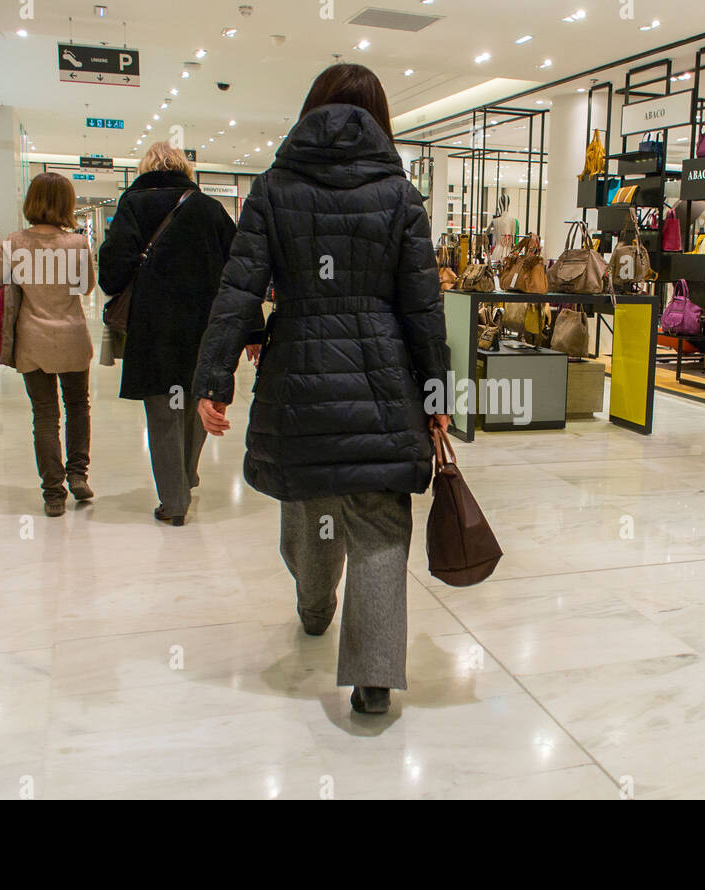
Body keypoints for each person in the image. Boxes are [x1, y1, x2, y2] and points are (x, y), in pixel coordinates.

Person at [192, 63, 450, 716]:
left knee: (307, 505)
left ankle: (314, 603)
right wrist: (435, 398)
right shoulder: (400, 195)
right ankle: (372, 677)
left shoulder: (275, 188)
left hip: (299, 380)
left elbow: (238, 287)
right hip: (385, 380)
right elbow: (423, 308)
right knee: (382, 525)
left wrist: (213, 378)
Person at [99, 142, 236, 526]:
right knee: (197, 401)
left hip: (152, 327)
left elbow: (111, 273)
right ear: (185, 170)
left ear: (146, 168)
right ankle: (187, 474)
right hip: (204, 324)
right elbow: (239, 266)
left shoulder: (132, 206)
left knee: (163, 411)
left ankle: (174, 500)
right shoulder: (210, 209)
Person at [0, 173, 95, 517]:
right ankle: (78, 474)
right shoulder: (77, 244)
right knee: (78, 407)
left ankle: (53, 492)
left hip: (32, 341)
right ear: (67, 204)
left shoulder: (13, 243)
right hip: (72, 336)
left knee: (45, 416)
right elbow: (85, 288)